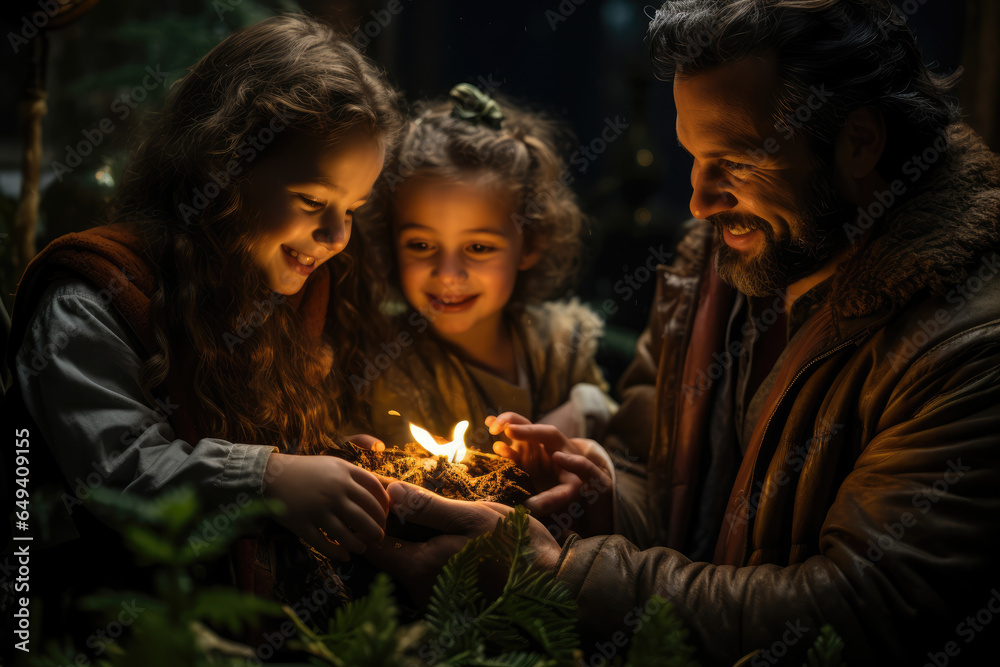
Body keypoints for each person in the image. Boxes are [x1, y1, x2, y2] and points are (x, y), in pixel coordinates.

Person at [365, 1, 1000, 665]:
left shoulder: (965, 342)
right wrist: (597, 492)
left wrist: (558, 574)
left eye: (737, 160)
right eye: (693, 157)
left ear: (861, 141)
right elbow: (655, 471)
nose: (699, 202)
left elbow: (860, 609)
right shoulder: (722, 265)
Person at [3, 13, 402, 639]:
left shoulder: (273, 287)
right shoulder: (92, 297)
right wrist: (267, 478)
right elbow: (119, 474)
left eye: (351, 210)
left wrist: (322, 471)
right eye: (312, 202)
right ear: (223, 166)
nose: (335, 237)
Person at [359, 84, 617, 455]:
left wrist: (585, 416)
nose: (448, 274)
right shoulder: (381, 365)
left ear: (530, 244)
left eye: (478, 248)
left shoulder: (561, 347)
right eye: (421, 245)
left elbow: (626, 460)